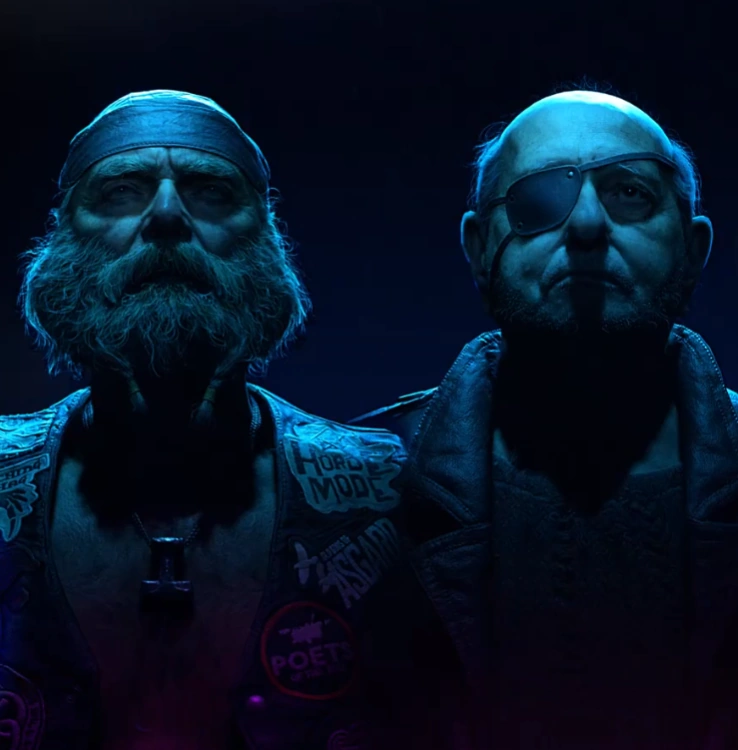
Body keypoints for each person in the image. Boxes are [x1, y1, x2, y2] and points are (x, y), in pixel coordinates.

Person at [0, 90, 413, 750]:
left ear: (266, 238)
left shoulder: (391, 493)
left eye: (211, 192)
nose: (167, 215)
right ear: (64, 237)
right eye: (122, 191)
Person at [353, 88, 738, 749]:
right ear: (479, 247)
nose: (586, 224)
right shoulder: (355, 486)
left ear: (694, 249)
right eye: (537, 200)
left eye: (630, 194)